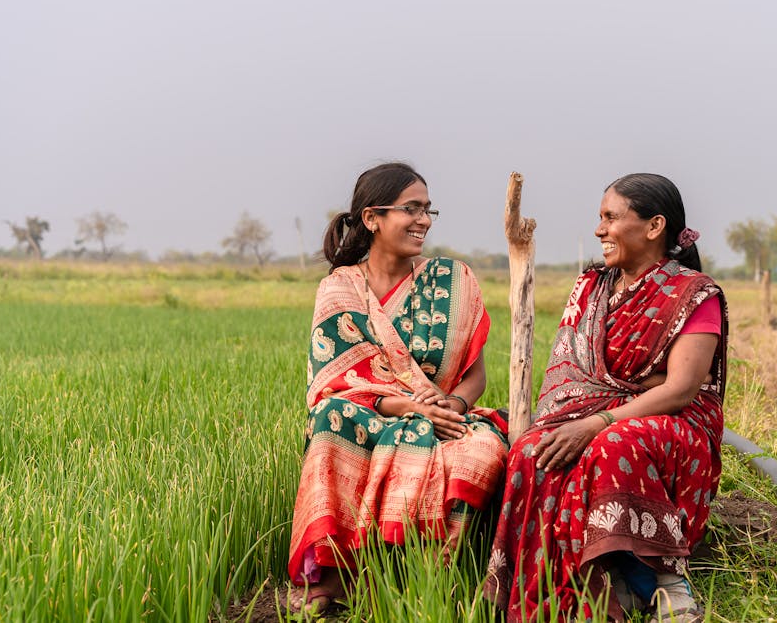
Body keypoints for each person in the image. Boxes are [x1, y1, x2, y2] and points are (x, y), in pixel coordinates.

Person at [484, 173, 726, 623]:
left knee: (616, 443)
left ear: (654, 227)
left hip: (677, 424)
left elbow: (679, 389)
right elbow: (572, 374)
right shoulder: (590, 288)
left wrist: (599, 420)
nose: (599, 230)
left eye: (611, 217)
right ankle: (579, 585)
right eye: (600, 218)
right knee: (531, 452)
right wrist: (626, 394)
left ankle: (669, 583)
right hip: (612, 412)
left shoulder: (693, 294)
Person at [287, 162, 509, 614]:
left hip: (447, 414)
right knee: (330, 422)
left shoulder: (453, 281)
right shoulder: (340, 288)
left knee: (480, 450)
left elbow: (476, 377)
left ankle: (424, 579)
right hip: (373, 413)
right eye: (412, 209)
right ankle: (333, 578)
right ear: (372, 218)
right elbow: (335, 382)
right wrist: (410, 407)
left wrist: (451, 404)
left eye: (429, 210)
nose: (424, 220)